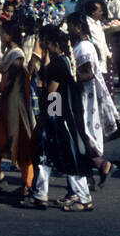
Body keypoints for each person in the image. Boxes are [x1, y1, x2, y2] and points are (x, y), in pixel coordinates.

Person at [26, 24, 95, 210]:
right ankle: (41, 194)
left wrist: (48, 118)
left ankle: (82, 197)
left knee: (62, 156)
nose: (41, 44)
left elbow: (52, 93)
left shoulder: (58, 63)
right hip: (62, 116)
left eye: (44, 41)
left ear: (52, 42)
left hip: (61, 117)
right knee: (50, 155)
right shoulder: (63, 60)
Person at [0, 22, 35, 196]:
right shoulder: (10, 54)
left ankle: (27, 184)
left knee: (21, 144)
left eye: (2, 33)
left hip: (15, 108)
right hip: (6, 105)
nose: (0, 36)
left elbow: (11, 84)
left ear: (9, 35)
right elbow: (4, 84)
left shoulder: (16, 55)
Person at [69, 15, 118, 193]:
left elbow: (87, 73)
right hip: (84, 98)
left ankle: (101, 165)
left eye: (70, 26)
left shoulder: (83, 47)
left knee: (83, 136)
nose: (68, 30)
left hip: (85, 99)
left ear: (78, 27)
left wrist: (71, 79)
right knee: (81, 137)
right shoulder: (83, 45)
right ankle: (89, 177)